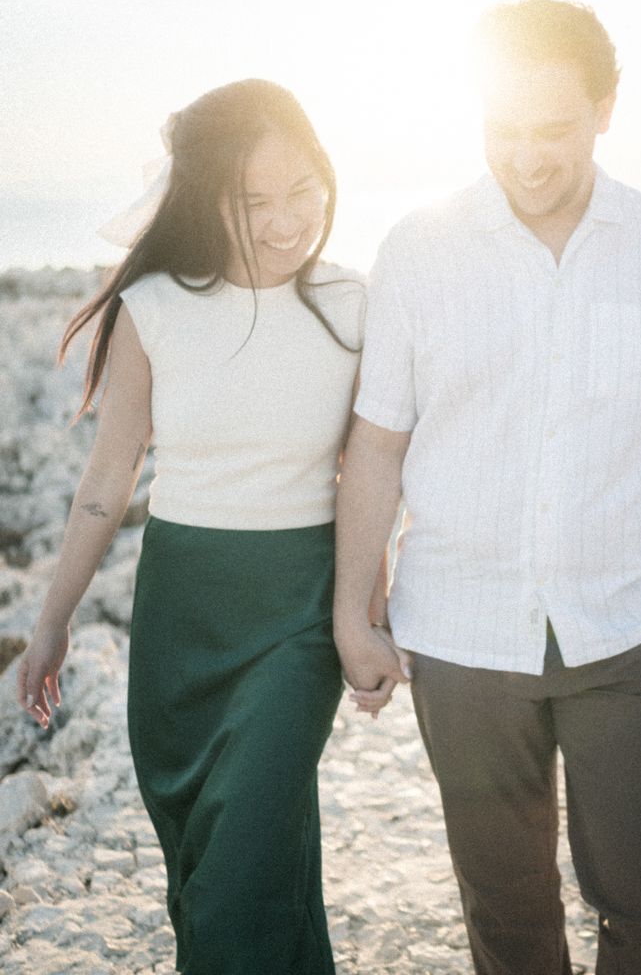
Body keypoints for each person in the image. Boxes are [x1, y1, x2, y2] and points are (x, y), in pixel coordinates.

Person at [334, 0, 641, 975]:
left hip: (630, 625)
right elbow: (375, 444)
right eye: (503, 130)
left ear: (604, 110)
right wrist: (351, 611)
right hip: (459, 633)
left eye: (554, 129)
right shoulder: (417, 249)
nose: (527, 156)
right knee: (506, 914)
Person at [17, 78, 378, 975]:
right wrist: (53, 619)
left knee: (238, 879)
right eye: (255, 200)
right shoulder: (158, 306)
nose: (288, 220)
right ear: (208, 196)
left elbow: (376, 470)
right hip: (181, 614)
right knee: (213, 870)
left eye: (304, 190)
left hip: (298, 616)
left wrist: (368, 609)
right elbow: (109, 480)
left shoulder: (353, 302)